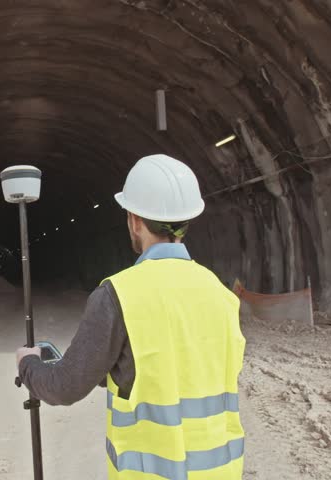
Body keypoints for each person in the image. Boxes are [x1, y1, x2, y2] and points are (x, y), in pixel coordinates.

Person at [15, 154, 246, 479]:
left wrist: (28, 364)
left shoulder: (118, 294)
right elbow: (177, 371)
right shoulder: (222, 295)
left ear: (134, 220)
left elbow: (65, 386)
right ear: (188, 221)